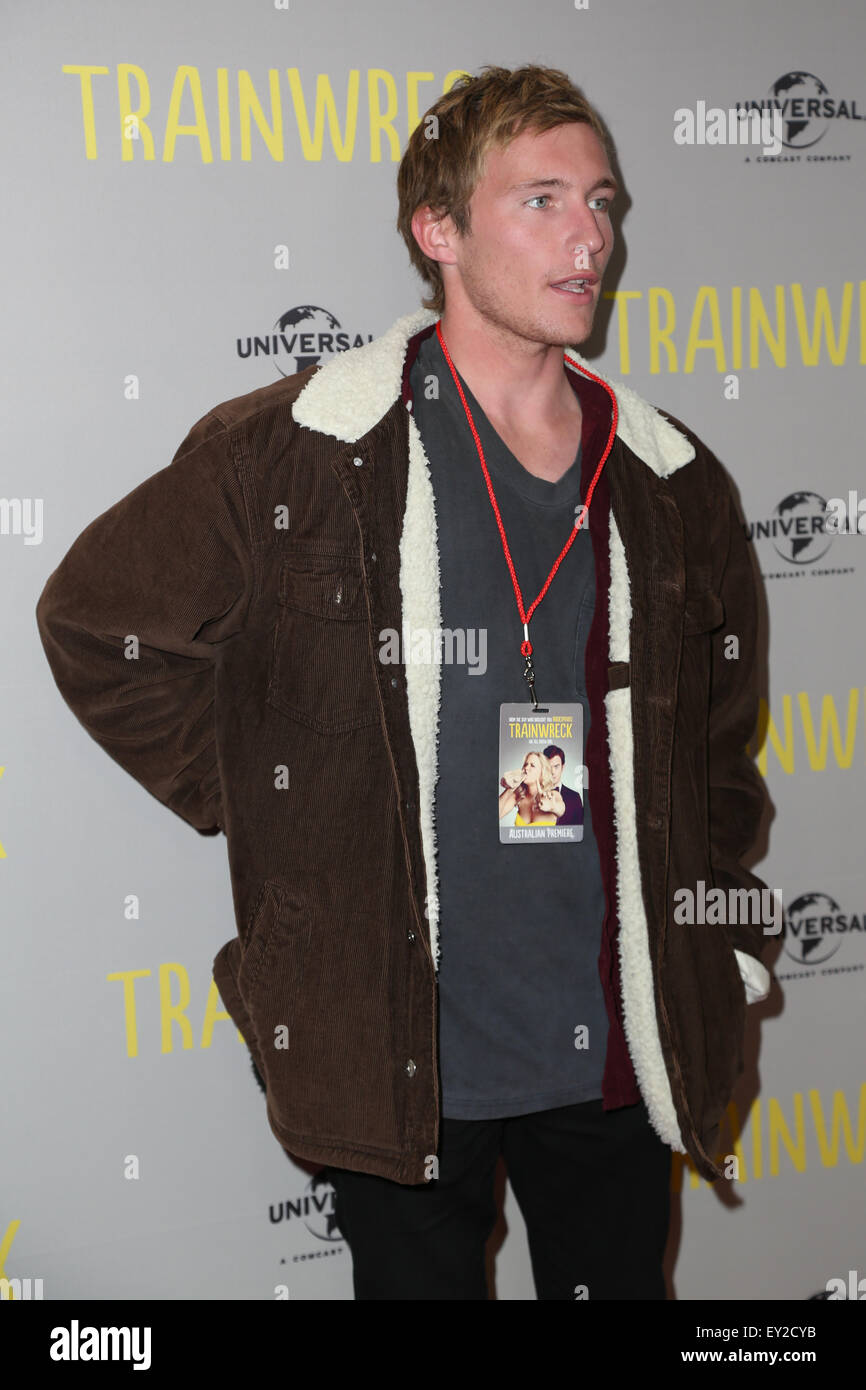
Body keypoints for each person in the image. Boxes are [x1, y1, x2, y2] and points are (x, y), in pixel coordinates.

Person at [35, 63, 773, 1301]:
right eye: (540, 199)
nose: (590, 234)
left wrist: (723, 942)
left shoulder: (668, 478)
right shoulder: (296, 449)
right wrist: (280, 797)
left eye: (600, 200)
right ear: (437, 231)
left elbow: (713, 748)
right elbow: (94, 621)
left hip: (614, 1048)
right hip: (394, 1056)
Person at [499, 750, 565, 824]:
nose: (526, 768)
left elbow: (561, 810)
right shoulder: (519, 796)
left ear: (542, 773)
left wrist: (552, 807)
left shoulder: (551, 795)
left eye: (532, 765)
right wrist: (510, 788)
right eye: (525, 764)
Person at [544, 743, 584, 826]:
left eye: (556, 766)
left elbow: (579, 829)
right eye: (549, 766)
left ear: (563, 767)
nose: (552, 771)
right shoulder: (535, 795)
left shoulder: (575, 797)